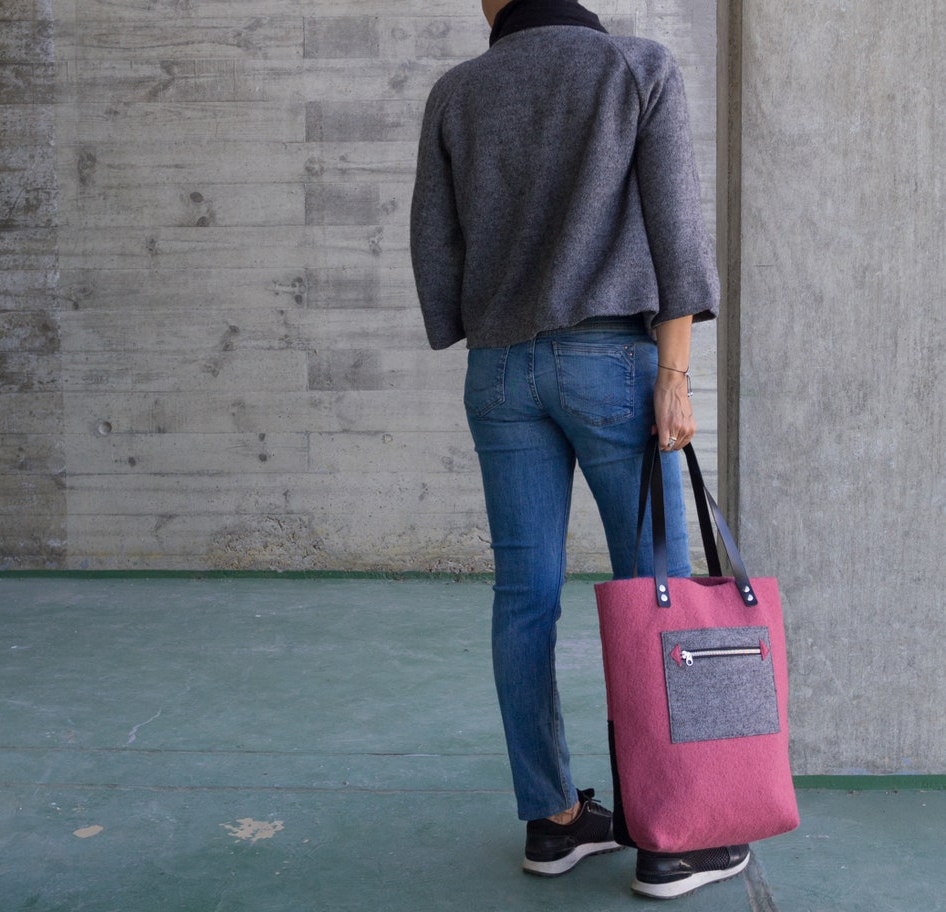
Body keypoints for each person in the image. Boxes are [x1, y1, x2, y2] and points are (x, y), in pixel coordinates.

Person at [410, 0, 750, 900]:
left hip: (499, 372)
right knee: (657, 590)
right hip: (611, 364)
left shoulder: (456, 92)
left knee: (524, 596)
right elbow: (677, 235)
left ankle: (553, 819)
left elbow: (433, 252)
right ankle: (671, 835)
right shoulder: (638, 70)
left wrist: (484, 326)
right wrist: (674, 372)